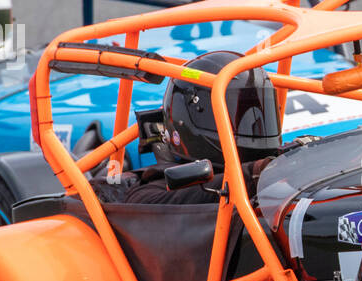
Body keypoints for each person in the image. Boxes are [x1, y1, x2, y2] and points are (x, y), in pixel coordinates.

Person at [92, 50, 281, 205]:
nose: (254, 124)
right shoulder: (148, 192)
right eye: (240, 116)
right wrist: (256, 172)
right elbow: (173, 200)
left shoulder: (278, 163)